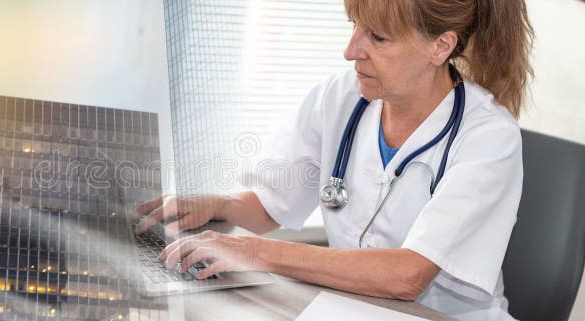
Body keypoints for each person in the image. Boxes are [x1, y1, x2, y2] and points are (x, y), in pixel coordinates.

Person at [131, 0, 534, 320]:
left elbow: (408, 276)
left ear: (440, 46)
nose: (350, 50)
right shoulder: (342, 97)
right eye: (354, 26)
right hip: (346, 307)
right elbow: (271, 205)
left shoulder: (488, 138)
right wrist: (219, 204)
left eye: (377, 37)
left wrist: (253, 253)